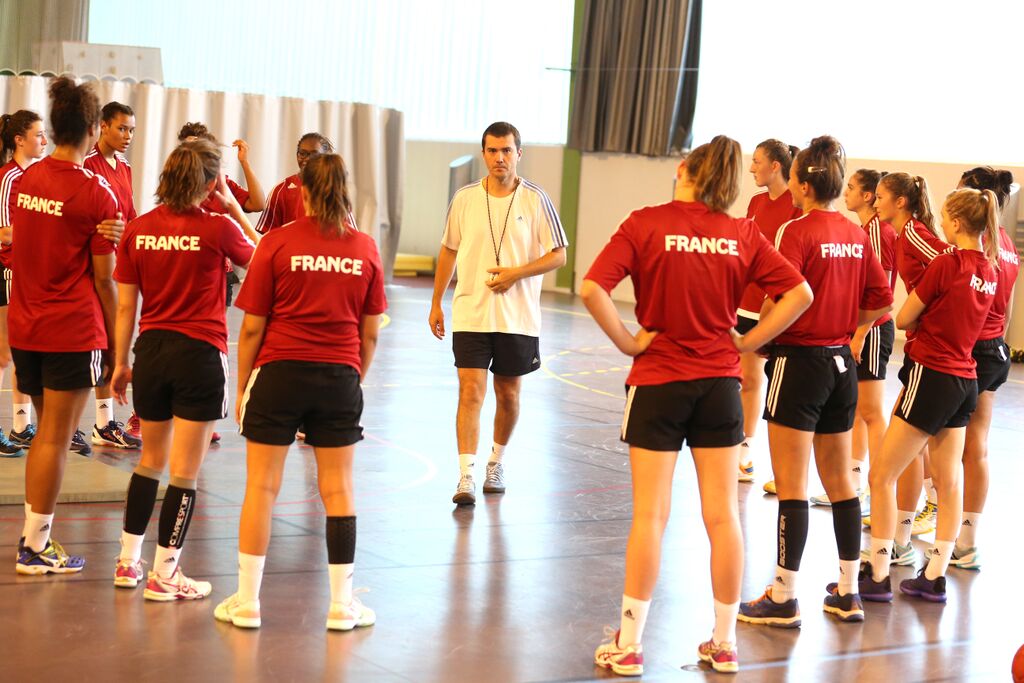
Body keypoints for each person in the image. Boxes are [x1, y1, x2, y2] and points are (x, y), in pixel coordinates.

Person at [584, 135, 811, 675]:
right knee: (722, 517)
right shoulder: (742, 232)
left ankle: (631, 643)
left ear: (684, 168)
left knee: (651, 516)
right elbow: (799, 293)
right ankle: (725, 642)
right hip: (719, 387)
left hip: (659, 381)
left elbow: (593, 287)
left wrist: (627, 340)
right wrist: (748, 342)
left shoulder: (644, 222)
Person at [215, 153, 386, 630]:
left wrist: (245, 382)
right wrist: (353, 376)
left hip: (279, 375)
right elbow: (370, 335)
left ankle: (248, 602)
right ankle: (340, 605)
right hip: (339, 377)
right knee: (339, 490)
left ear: (304, 192)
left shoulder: (277, 243)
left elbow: (251, 329)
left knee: (262, 489)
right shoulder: (366, 248)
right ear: (344, 191)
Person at [737, 136, 892, 628]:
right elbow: (881, 302)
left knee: (791, 486)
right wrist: (845, 325)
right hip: (841, 366)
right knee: (842, 482)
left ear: (803, 184)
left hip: (799, 364)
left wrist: (752, 341)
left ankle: (783, 595)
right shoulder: (854, 232)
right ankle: (849, 591)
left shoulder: (794, 231)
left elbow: (782, 298)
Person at [110, 138, 256, 599]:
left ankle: (127, 563)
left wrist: (119, 362)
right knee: (185, 474)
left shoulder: (139, 228)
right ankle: (166, 573)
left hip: (149, 353)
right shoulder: (217, 228)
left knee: (149, 462)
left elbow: (124, 306)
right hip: (199, 355)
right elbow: (263, 255)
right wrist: (233, 208)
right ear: (211, 182)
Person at [863, 187, 999, 603]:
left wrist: (921, 317)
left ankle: (878, 570)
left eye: (944, 216)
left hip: (932, 374)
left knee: (881, 475)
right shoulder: (990, 269)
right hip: (965, 380)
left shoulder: (947, 264)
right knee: (949, 479)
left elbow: (903, 316)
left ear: (956, 223)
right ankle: (936, 573)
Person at [10, 77, 119, 574]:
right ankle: (35, 547)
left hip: (26, 327)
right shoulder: (96, 193)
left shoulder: (26, 180)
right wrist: (118, 346)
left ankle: (34, 539)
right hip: (71, 331)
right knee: (55, 437)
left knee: (45, 436)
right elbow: (105, 279)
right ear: (94, 130)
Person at [428, 121, 568, 505]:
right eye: (492, 151)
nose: (499, 158)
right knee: (470, 391)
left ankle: (496, 461)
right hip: (471, 312)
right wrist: (436, 301)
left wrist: (516, 274)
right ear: (484, 154)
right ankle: (466, 475)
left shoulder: (536, 199)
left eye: (506, 150)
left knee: (508, 394)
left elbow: (560, 254)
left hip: (517, 318)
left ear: (518, 153)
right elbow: (449, 250)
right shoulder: (465, 198)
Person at [867, 173, 948, 546]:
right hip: (920, 345)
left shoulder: (913, 232)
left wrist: (919, 311)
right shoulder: (900, 236)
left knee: (912, 440)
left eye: (881, 196)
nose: (875, 202)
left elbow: (954, 265)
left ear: (901, 201)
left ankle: (912, 524)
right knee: (915, 441)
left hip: (931, 348)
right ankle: (906, 524)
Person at [810, 169, 896, 509]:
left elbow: (880, 292)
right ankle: (856, 481)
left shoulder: (874, 231)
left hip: (873, 328)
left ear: (869, 196)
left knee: (872, 412)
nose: (845, 193)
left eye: (852, 188)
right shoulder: (864, 230)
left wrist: (860, 333)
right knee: (860, 411)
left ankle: (880, 486)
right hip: (863, 328)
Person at [950, 167, 1021, 570]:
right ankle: (967, 540)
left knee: (934, 443)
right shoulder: (1007, 243)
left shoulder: (978, 245)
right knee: (975, 446)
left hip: (968, 352)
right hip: (995, 350)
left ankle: (924, 522)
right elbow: (1006, 306)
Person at [738, 140, 803, 487]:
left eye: (757, 161)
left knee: (769, 383)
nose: (752, 168)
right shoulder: (755, 202)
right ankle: (740, 448)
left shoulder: (796, 206)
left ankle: (768, 462)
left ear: (776, 166)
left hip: (774, 306)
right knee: (741, 380)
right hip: (744, 302)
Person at [83, 101, 143, 451]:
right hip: (93, 270)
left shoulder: (125, 167)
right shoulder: (87, 166)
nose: (127, 136)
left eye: (132, 130)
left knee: (114, 341)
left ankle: (104, 424)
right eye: (122, 128)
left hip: (118, 268)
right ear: (103, 126)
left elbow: (130, 217)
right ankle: (102, 423)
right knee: (104, 343)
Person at [0, 110, 47, 457]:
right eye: (38, 135)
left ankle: (21, 426)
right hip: (9, 271)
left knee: (25, 352)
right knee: (3, 354)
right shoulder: (8, 178)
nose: (44, 141)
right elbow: (4, 233)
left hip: (33, 273)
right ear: (19, 139)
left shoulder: (39, 177)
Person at [176, 121, 267, 214]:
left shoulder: (222, 184)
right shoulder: (174, 182)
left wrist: (244, 162)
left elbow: (258, 205)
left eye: (196, 150)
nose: (191, 156)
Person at [255, 132, 333, 233]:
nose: (307, 159)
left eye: (315, 154)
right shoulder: (281, 190)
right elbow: (268, 236)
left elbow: (348, 233)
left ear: (325, 157)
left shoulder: (334, 189)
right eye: (302, 153)